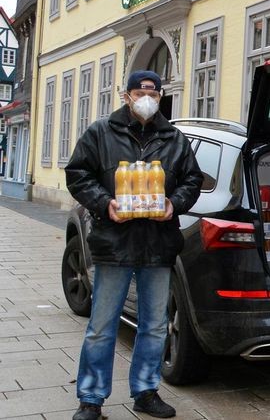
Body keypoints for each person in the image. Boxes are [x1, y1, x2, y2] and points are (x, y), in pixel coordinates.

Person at [65, 71, 204, 420]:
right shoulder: (101, 132)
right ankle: (91, 399)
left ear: (160, 97)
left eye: (154, 92)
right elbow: (77, 173)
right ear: (126, 96)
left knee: (155, 325)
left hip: (158, 245)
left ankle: (145, 391)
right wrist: (103, 203)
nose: (147, 97)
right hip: (114, 243)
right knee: (102, 325)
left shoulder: (174, 138)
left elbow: (192, 179)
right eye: (141, 91)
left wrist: (175, 203)